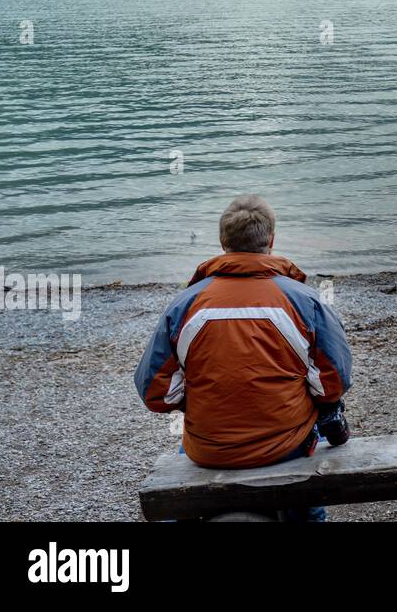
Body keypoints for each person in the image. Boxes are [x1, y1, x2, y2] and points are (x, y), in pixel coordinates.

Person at [134, 194, 353, 521]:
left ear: (223, 243)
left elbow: (155, 391)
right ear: (272, 240)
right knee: (309, 509)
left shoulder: (185, 305)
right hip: (286, 446)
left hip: (209, 450)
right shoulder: (304, 302)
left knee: (175, 503)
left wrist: (204, 396)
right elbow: (333, 382)